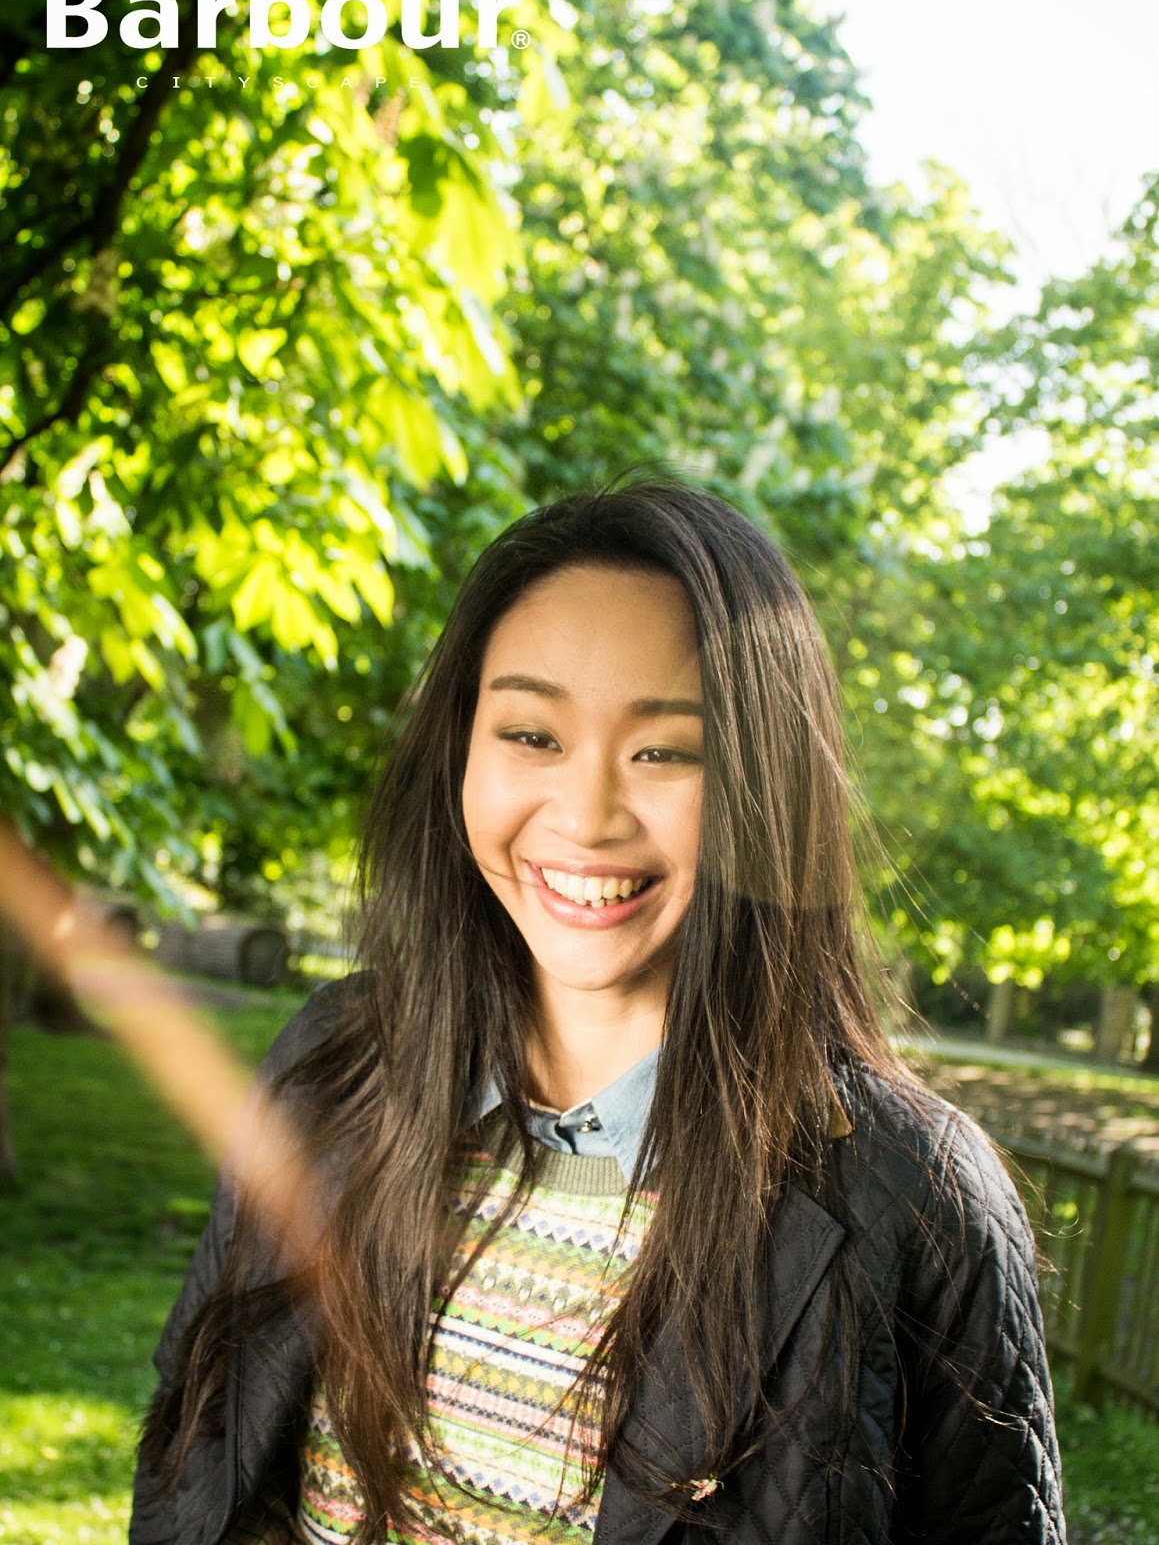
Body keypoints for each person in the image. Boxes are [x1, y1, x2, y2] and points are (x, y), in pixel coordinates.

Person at [130, 478, 1067, 1545]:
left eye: (666, 749)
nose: (584, 815)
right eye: (531, 735)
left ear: (768, 790)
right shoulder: (329, 1064)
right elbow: (190, 1454)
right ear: (460, 753)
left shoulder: (916, 1195)